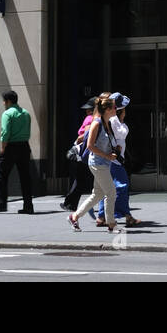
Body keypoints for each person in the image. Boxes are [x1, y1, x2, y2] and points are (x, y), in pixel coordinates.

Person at [68, 94, 121, 232]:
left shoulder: (107, 123)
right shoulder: (96, 123)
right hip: (98, 163)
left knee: (97, 194)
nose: (116, 109)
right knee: (111, 193)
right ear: (107, 109)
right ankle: (111, 224)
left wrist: (115, 149)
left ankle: (74, 217)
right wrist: (107, 155)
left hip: (104, 163)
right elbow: (90, 146)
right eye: (114, 107)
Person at [95, 93, 140, 227]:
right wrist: (122, 121)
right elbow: (121, 134)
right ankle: (125, 215)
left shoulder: (111, 119)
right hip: (113, 159)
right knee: (122, 186)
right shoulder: (114, 120)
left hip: (112, 159)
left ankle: (102, 216)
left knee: (106, 188)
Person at [0, 91, 34, 214]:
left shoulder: (7, 114)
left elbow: (5, 132)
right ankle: (28, 206)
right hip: (24, 146)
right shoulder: (26, 113)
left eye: (4, 101)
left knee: (1, 175)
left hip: (11, 147)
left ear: (8, 101)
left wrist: (3, 147)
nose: (3, 103)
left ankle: (1, 204)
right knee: (25, 177)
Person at [62, 100, 96, 212]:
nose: (86, 111)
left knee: (80, 179)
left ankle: (70, 204)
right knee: (81, 179)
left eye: (88, 109)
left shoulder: (89, 118)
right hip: (87, 152)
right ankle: (70, 203)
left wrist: (77, 141)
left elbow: (85, 135)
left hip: (83, 152)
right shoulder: (95, 119)